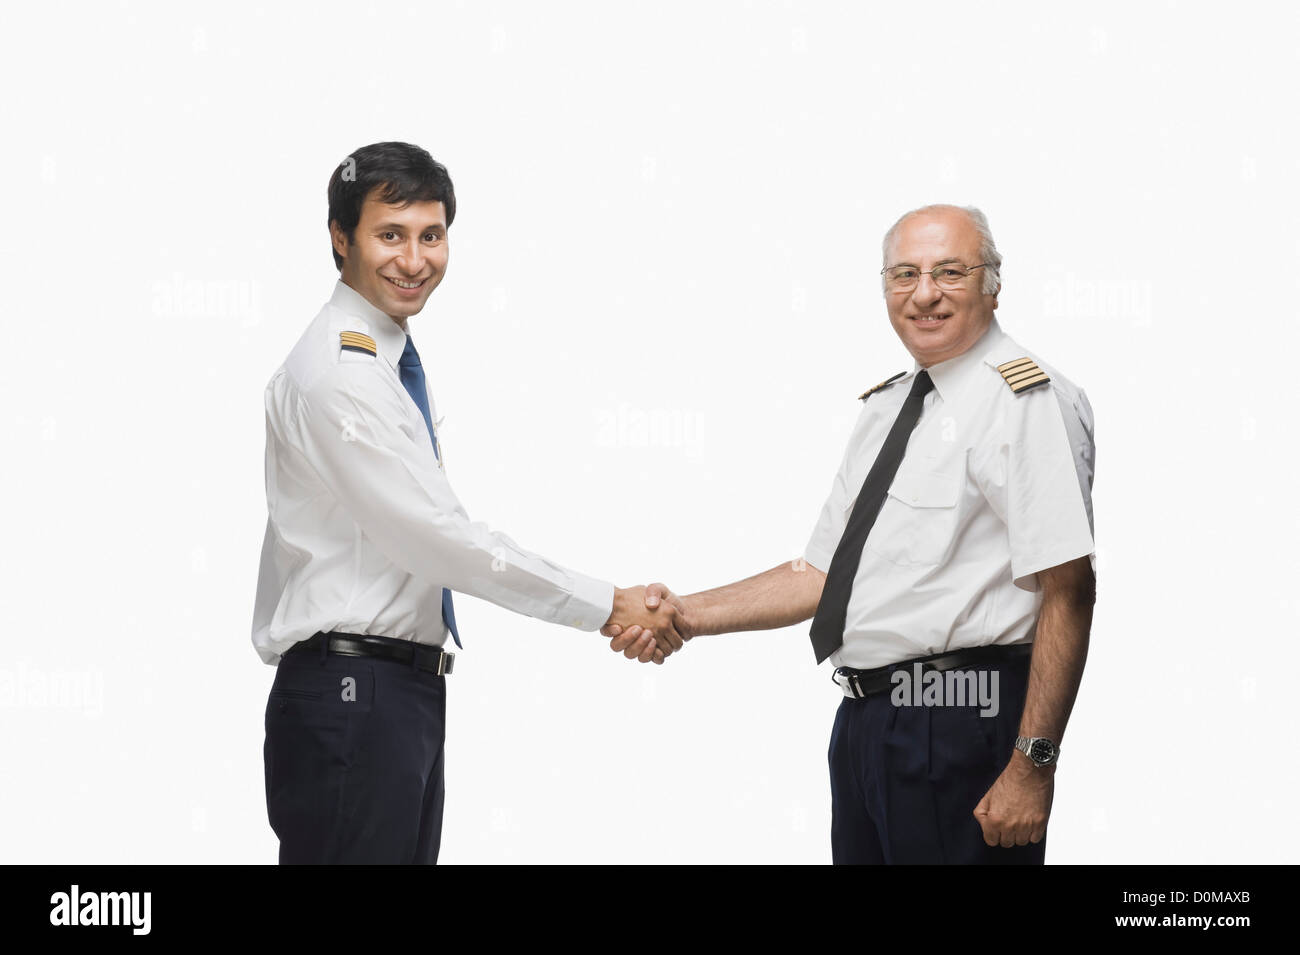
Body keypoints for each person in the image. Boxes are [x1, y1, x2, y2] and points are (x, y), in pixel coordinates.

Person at [606, 204, 1096, 864]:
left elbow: (1069, 588)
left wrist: (1034, 763)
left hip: (962, 716)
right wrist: (685, 614)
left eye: (950, 271)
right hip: (868, 723)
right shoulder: (889, 407)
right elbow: (820, 575)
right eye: (905, 274)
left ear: (993, 284)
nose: (924, 293)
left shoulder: (1021, 400)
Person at [251, 141, 680, 865]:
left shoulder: (379, 359)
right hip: (357, 694)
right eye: (391, 234)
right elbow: (438, 539)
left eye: (432, 235)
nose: (415, 260)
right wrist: (608, 602)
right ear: (339, 237)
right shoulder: (344, 372)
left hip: (385, 693)